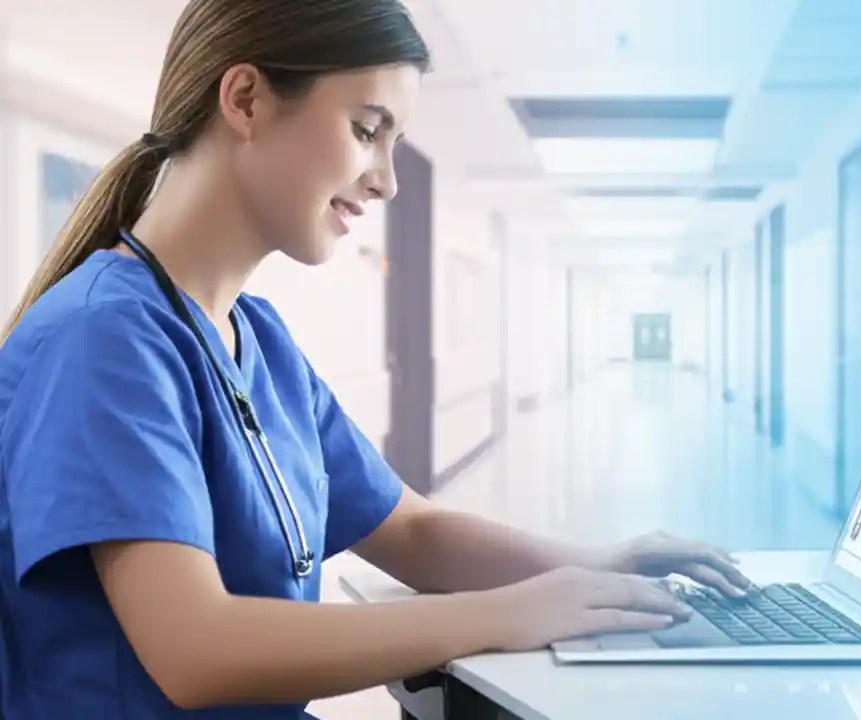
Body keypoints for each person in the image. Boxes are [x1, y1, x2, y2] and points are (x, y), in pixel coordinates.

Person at [0, 1, 751, 717]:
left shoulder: (255, 339)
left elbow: (411, 531)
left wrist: (597, 562)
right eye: (367, 130)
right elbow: (195, 647)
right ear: (247, 99)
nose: (387, 179)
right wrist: (505, 614)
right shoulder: (105, 339)